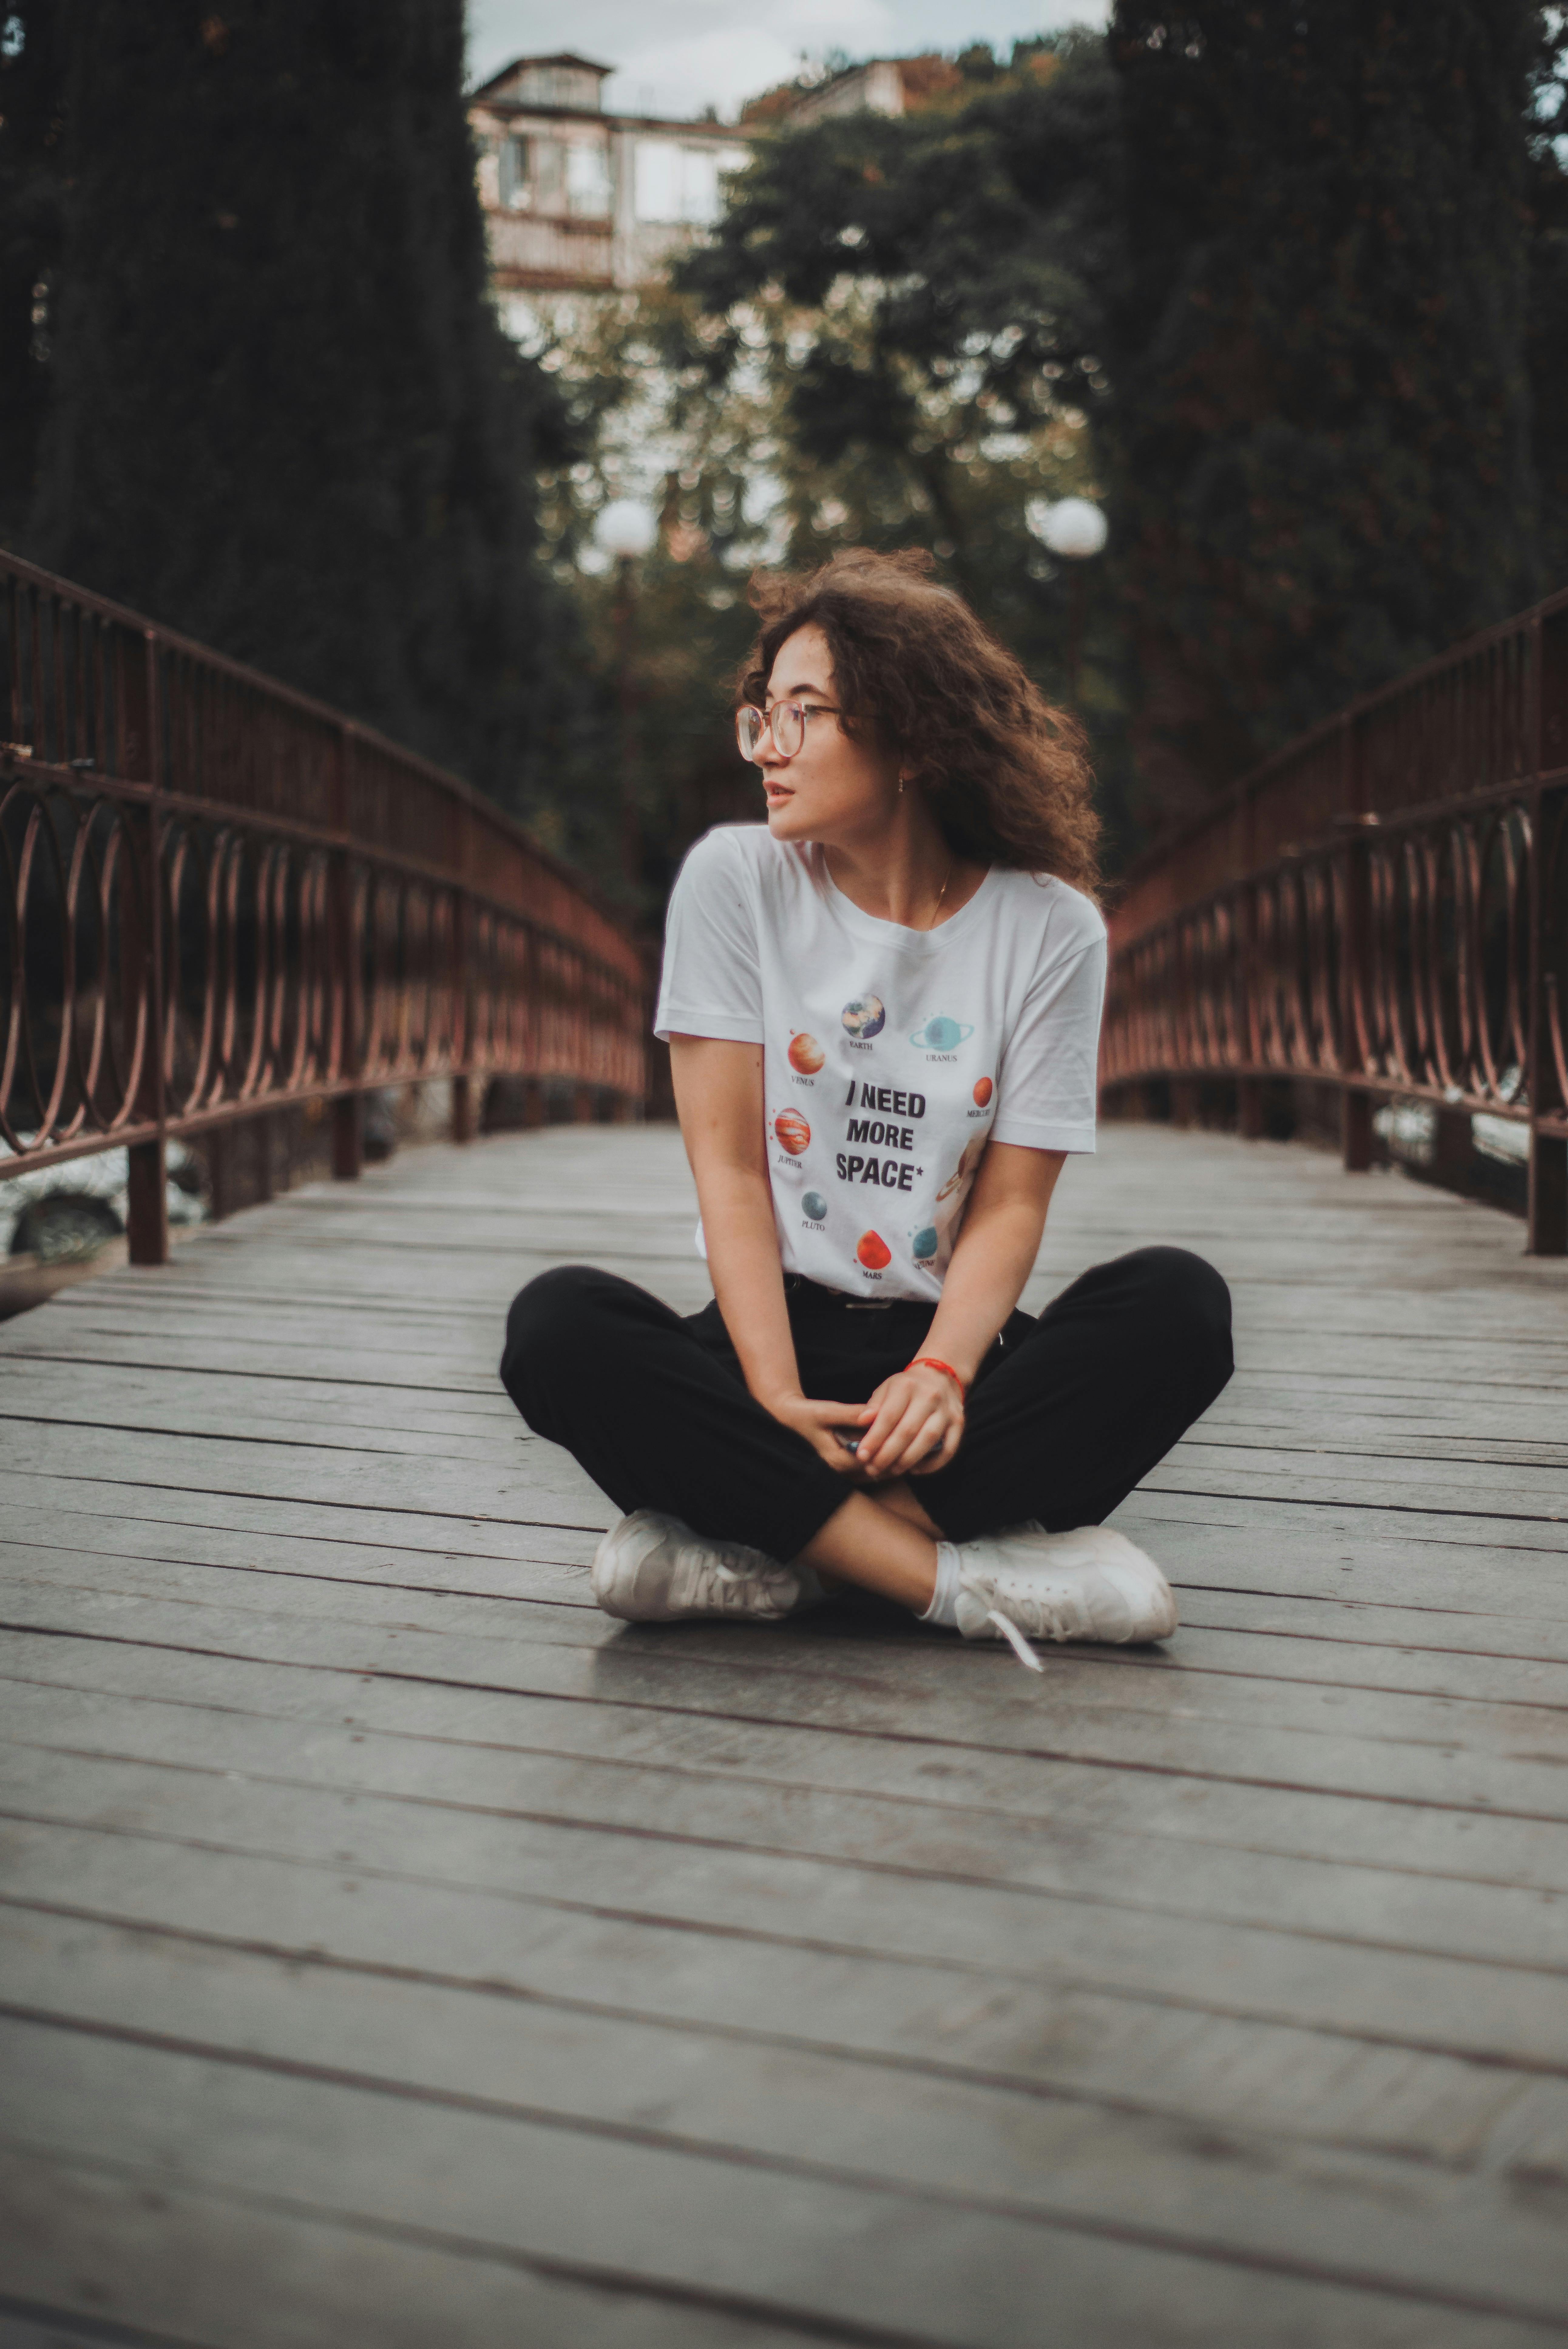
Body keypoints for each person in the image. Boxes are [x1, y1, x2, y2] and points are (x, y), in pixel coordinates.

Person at [501, 549, 1232, 1666]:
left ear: (914, 740)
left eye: (807, 714)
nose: (768, 747)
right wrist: (776, 1392)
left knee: (1182, 1306)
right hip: (769, 1348)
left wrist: (940, 1375)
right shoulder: (734, 880)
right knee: (557, 1328)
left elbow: (1011, 1205)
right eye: (764, 714)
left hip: (944, 1367)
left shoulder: (1051, 930)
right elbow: (733, 1171)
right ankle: (945, 1579)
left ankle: (775, 1553)